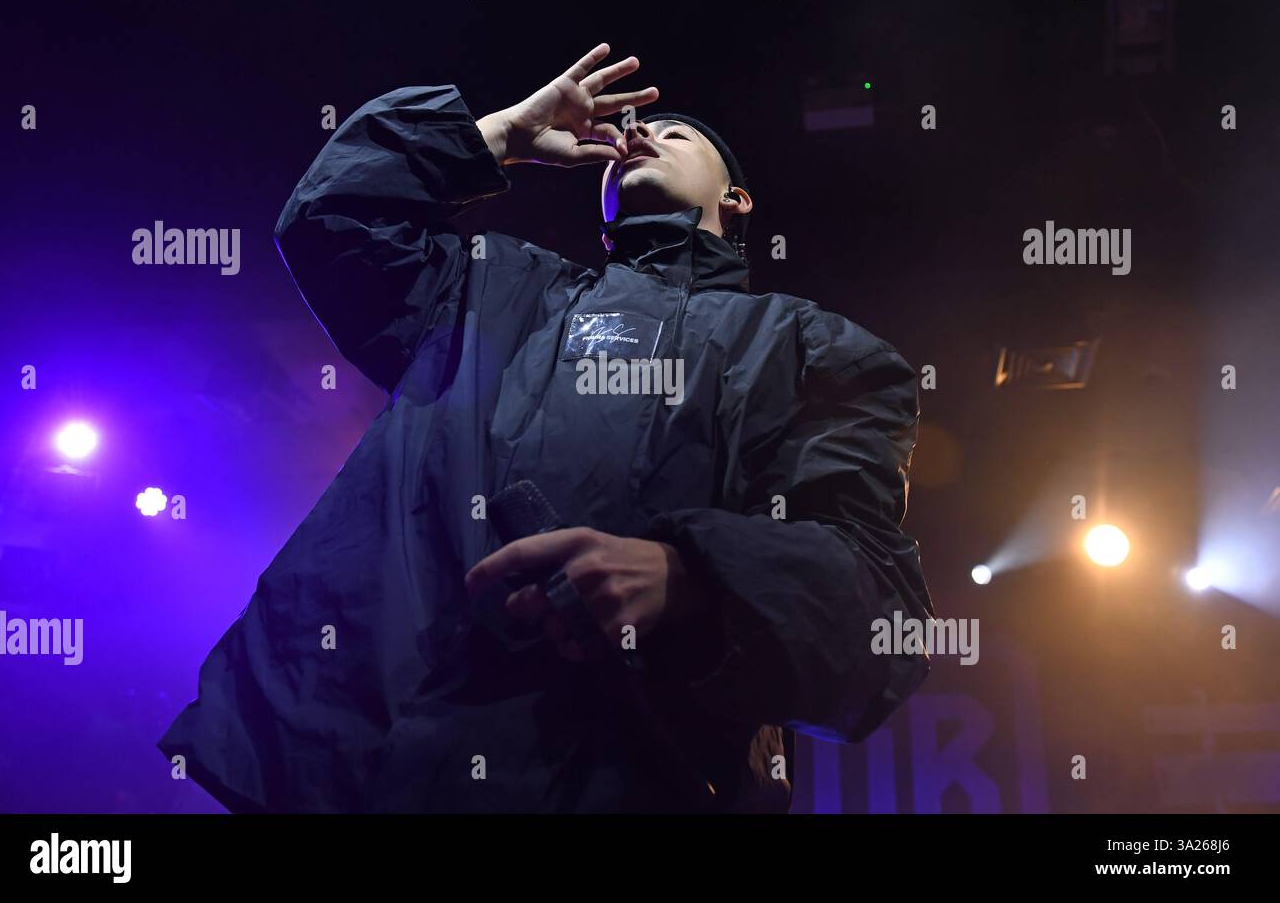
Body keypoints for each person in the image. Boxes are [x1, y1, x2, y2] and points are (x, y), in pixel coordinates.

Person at [158, 43, 935, 813]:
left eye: (675, 132)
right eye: (629, 130)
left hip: (612, 777)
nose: (637, 134)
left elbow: (877, 608)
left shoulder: (812, 350)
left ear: (736, 203)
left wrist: (695, 576)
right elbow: (335, 218)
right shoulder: (488, 286)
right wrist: (495, 137)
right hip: (354, 767)